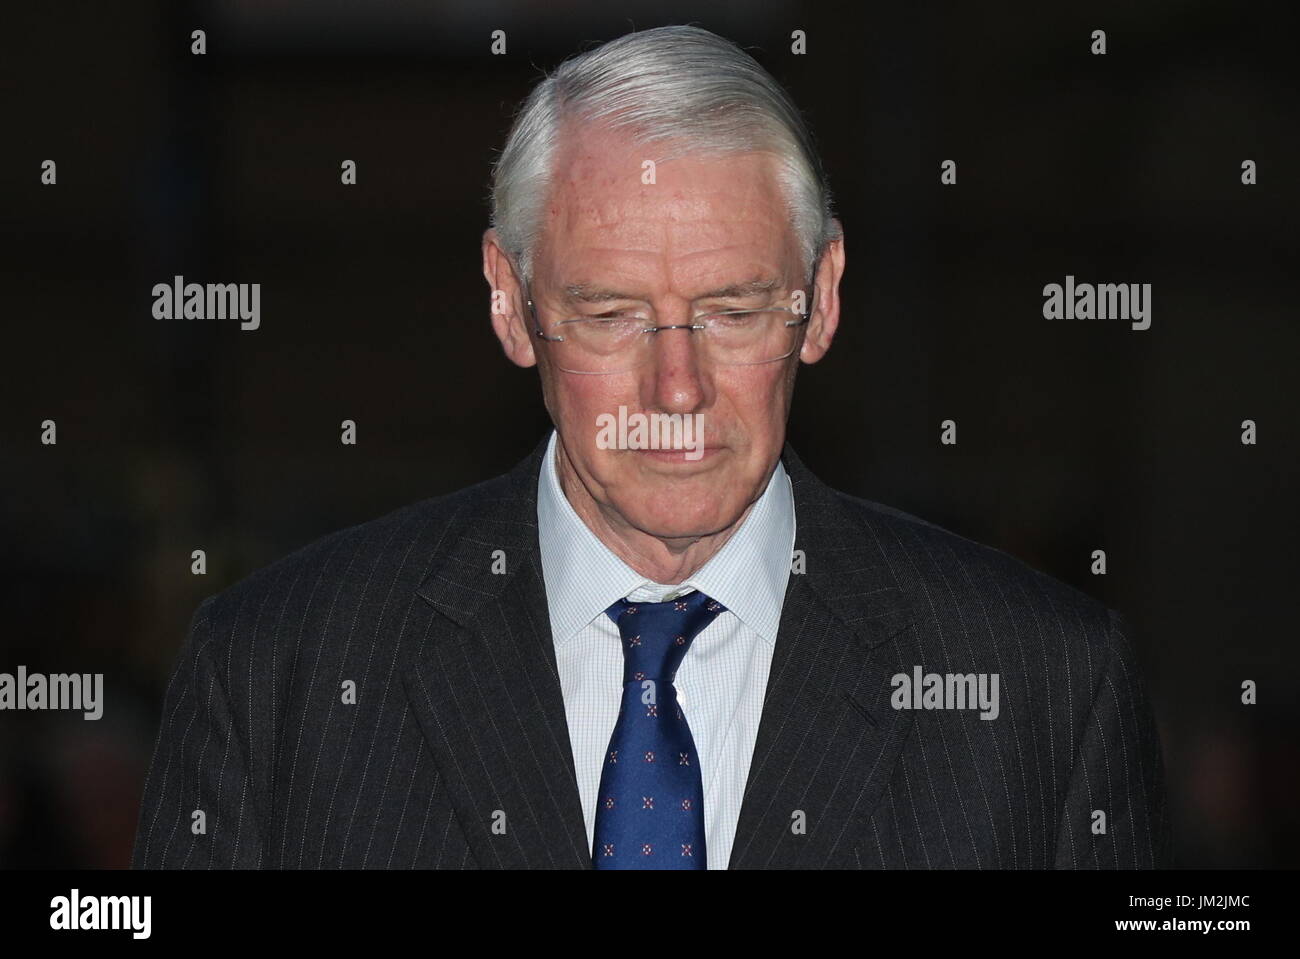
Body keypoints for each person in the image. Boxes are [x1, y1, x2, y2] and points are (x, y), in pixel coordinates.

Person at [132, 24, 1169, 870]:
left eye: (732, 309)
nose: (677, 388)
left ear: (823, 297)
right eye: (613, 314)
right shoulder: (280, 674)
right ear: (510, 301)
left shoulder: (1039, 688)